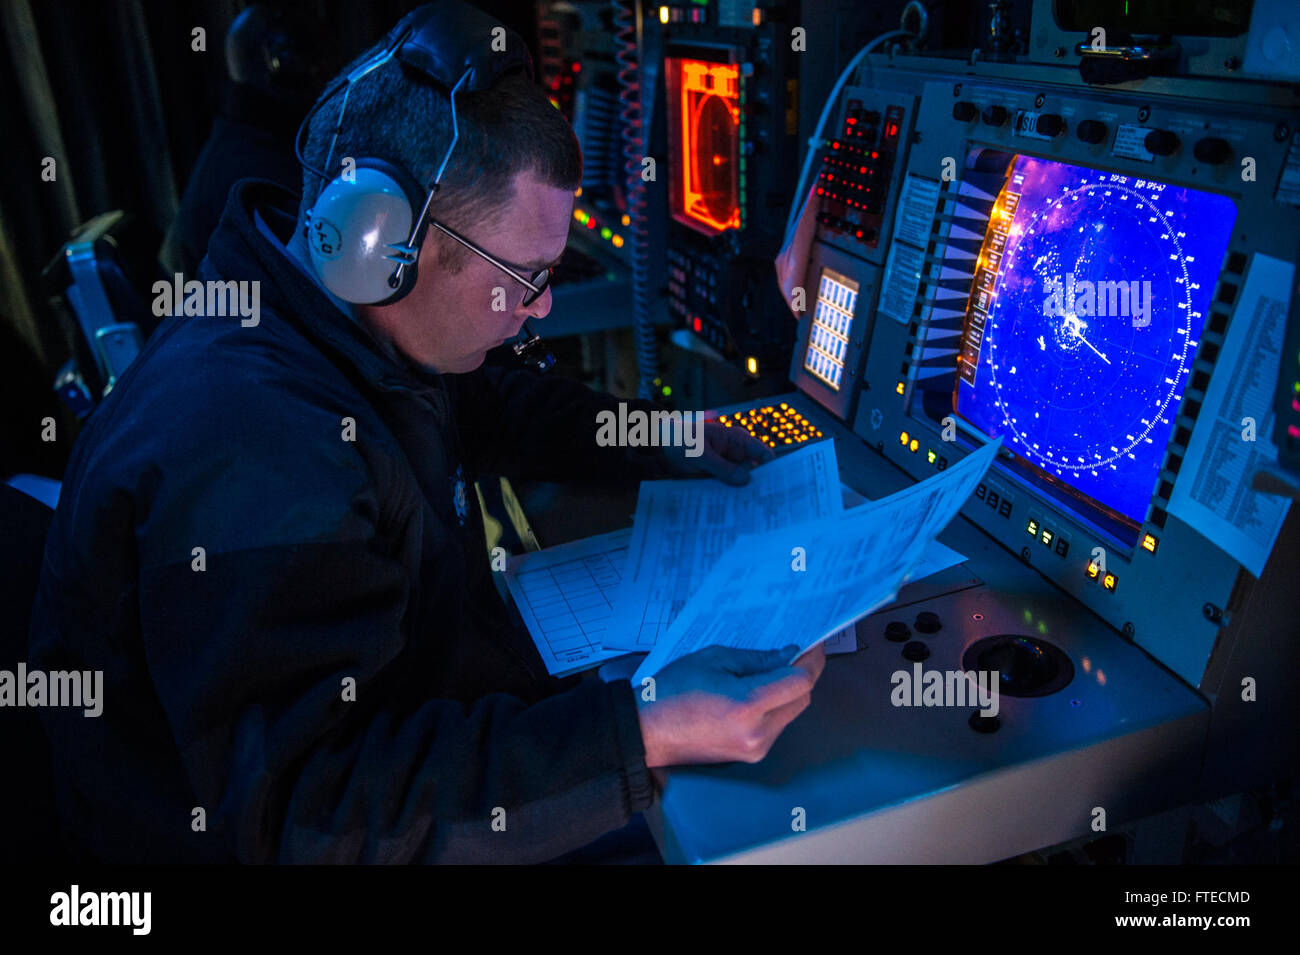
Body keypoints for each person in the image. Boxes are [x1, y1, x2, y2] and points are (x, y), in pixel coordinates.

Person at [29, 1, 826, 864]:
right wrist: (641, 733)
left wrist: (653, 429)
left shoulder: (316, 316)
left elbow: (486, 406)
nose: (541, 308)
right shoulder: (251, 448)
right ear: (378, 240)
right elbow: (316, 814)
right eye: (525, 277)